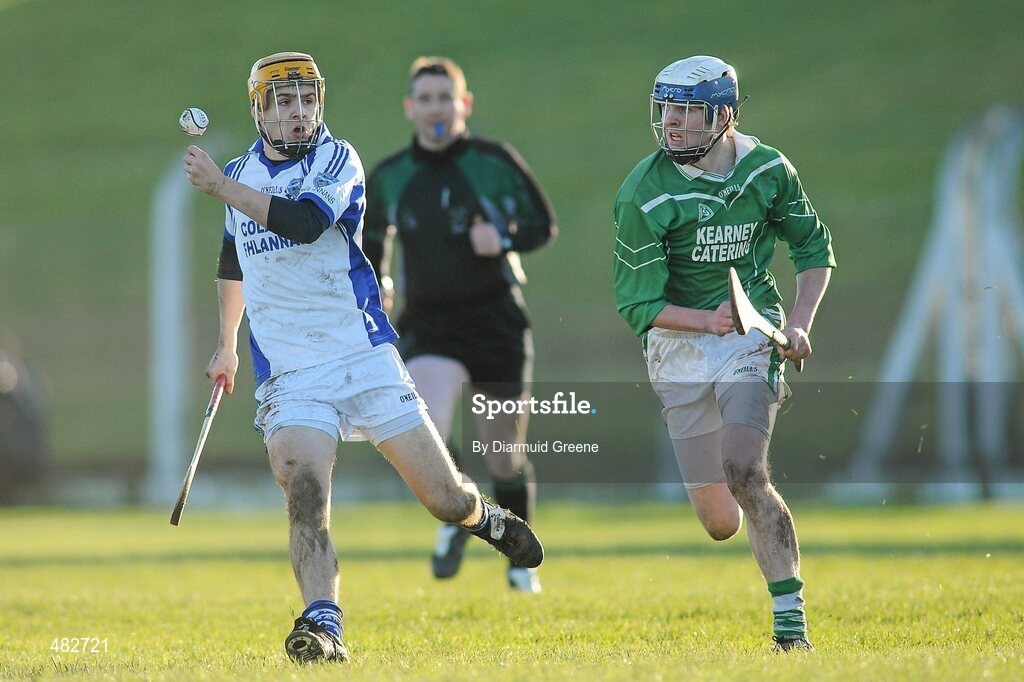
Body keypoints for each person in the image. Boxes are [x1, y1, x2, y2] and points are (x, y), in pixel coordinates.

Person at [182, 52, 543, 664]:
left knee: (443, 500)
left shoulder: (337, 161)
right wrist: (226, 342)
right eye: (284, 103)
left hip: (362, 358)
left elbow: (301, 222)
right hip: (291, 373)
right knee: (304, 491)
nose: (299, 114)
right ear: (261, 111)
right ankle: (324, 624)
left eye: (307, 100)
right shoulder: (243, 173)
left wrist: (220, 186)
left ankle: (483, 517)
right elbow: (232, 262)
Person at [613, 56, 835, 652]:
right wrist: (704, 321)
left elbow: (814, 248)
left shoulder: (767, 170)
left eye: (688, 110)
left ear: (724, 114)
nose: (674, 123)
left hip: (749, 333)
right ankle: (745, 521)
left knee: (745, 470)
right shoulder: (643, 192)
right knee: (720, 522)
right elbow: (638, 304)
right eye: (667, 109)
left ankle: (791, 627)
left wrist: (799, 323)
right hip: (679, 344)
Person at [363, 57, 556, 593]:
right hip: (429, 323)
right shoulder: (392, 175)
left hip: (494, 319)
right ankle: (458, 515)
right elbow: (372, 235)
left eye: (445, 98)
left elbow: (543, 224)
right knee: (434, 430)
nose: (435, 109)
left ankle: (519, 562)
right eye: (425, 99)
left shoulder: (493, 162)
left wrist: (505, 239)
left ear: (463, 104)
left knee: (504, 455)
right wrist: (379, 279)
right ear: (410, 108)